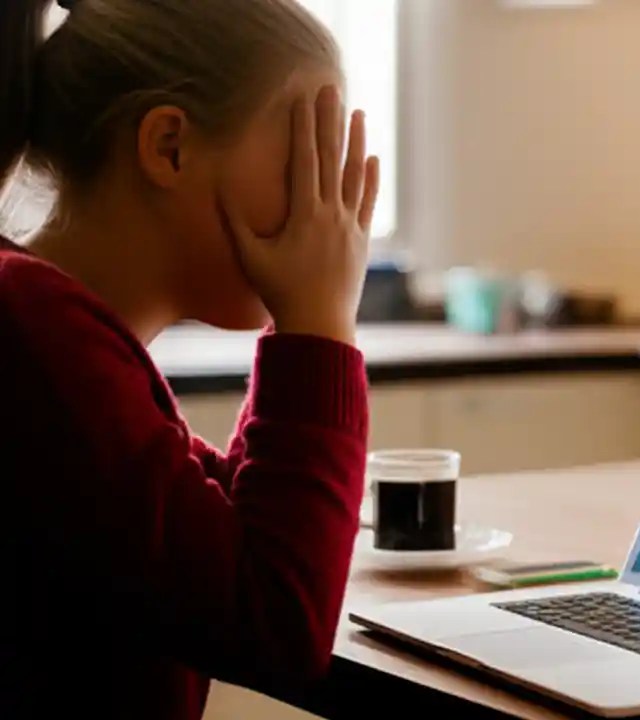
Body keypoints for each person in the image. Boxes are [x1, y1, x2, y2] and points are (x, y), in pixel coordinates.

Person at [0, 0, 380, 717]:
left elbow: (232, 534)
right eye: (307, 165)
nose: (328, 212)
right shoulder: (29, 330)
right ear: (169, 146)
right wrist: (319, 324)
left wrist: (314, 316)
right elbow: (277, 623)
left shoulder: (51, 331)